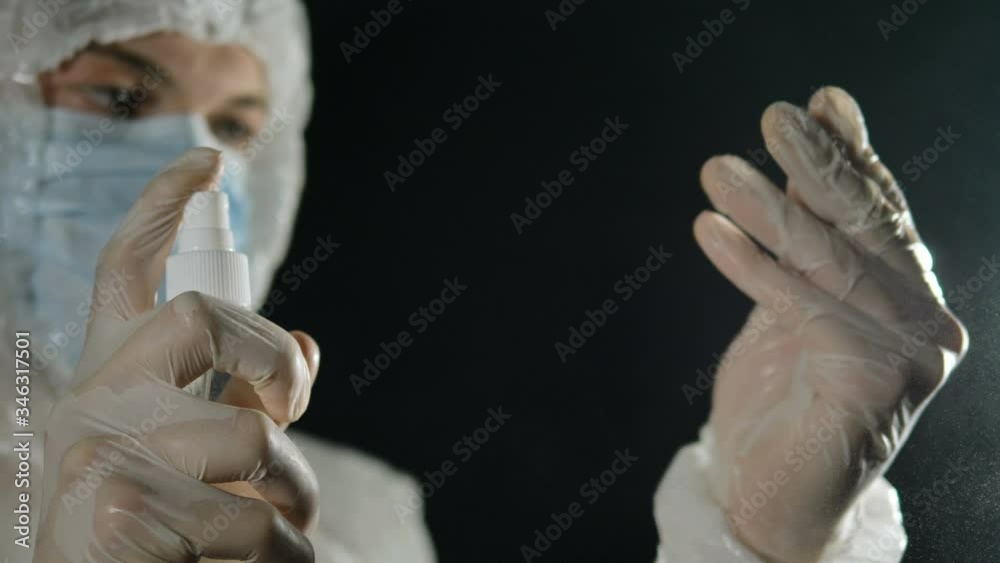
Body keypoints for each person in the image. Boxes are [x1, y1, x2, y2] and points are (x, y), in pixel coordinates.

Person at [0, 1, 966, 562]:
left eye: (238, 124)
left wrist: (760, 536)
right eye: (115, 97)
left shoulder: (351, 521)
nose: (201, 163)